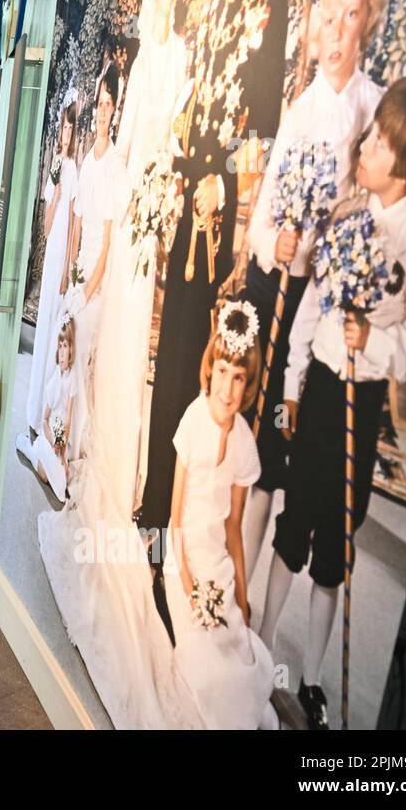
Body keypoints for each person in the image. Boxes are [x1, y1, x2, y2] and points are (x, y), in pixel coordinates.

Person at [258, 74, 406, 730]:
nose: (364, 144)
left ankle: (311, 678)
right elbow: (309, 312)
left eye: (376, 141)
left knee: (335, 546)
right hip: (317, 393)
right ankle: (261, 647)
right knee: (294, 526)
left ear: (402, 163)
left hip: (362, 402)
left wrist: (373, 339)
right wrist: (289, 382)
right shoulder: (346, 216)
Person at [138, 0, 290, 551]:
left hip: (224, 209)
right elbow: (196, 97)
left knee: (208, 364)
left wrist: (227, 185)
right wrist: (178, 165)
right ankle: (152, 504)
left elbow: (261, 115)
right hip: (184, 194)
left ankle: (194, 527)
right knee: (171, 354)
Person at [240, 0, 387, 579]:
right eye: (329, 15)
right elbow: (260, 224)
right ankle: (238, 588)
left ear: (367, 24)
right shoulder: (298, 112)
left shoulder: (376, 112)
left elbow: (381, 221)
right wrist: (273, 240)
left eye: (352, 16)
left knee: (315, 468)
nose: (336, 32)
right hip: (279, 294)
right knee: (266, 444)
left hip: (330, 314)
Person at [84, 0, 188, 518]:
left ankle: (125, 475)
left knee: (132, 341)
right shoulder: (146, 55)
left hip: (149, 219)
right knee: (115, 335)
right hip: (128, 216)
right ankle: (102, 459)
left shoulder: (178, 56)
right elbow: (123, 147)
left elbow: (173, 142)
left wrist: (158, 192)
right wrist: (120, 201)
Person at [162, 300, 278, 730]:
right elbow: (174, 519)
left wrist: (242, 599)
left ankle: (248, 703)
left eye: (239, 378)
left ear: (248, 384)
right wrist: (190, 588)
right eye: (223, 373)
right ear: (211, 369)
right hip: (184, 556)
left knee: (237, 641)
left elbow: (233, 531)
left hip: (218, 561)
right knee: (205, 668)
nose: (228, 390)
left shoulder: (245, 443)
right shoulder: (194, 419)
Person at [69, 62, 130, 456]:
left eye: (110, 103)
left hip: (97, 278)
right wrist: (69, 278)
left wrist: (88, 288)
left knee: (83, 359)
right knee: (70, 356)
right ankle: (66, 435)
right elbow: (77, 221)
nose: (104, 110)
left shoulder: (114, 166)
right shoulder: (87, 159)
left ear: (116, 110)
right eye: (100, 103)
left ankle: (81, 443)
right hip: (78, 272)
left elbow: (108, 243)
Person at [22, 101, 79, 447]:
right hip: (51, 251)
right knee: (44, 326)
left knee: (57, 325)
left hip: (63, 260)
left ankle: (50, 403)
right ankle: (34, 409)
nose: (67, 134)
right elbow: (46, 227)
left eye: (72, 129)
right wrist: (54, 195)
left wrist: (68, 271)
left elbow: (74, 223)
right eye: (64, 128)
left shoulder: (74, 168)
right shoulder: (57, 167)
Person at [16, 311, 77, 499]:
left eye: (65, 346)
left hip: (61, 438)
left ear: (71, 350)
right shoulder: (53, 383)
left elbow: (68, 419)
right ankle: (30, 448)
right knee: (44, 475)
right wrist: (52, 442)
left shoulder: (72, 380)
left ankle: (39, 454)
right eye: (59, 347)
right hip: (49, 434)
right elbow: (44, 419)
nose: (61, 352)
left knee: (62, 477)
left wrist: (61, 448)